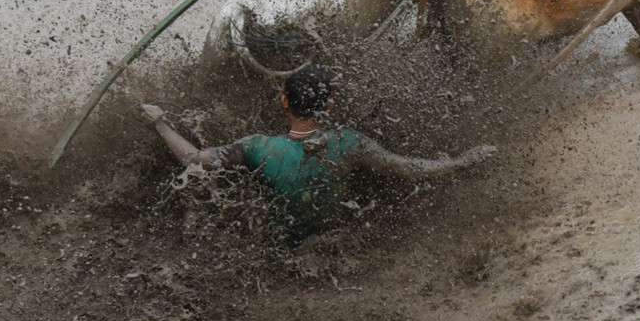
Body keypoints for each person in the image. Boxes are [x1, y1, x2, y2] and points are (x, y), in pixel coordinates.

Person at [138, 65, 494, 245]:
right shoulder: (351, 143)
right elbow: (411, 169)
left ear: (284, 102)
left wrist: (160, 124)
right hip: (331, 243)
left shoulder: (257, 147)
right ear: (329, 105)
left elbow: (193, 160)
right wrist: (461, 161)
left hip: (280, 249)